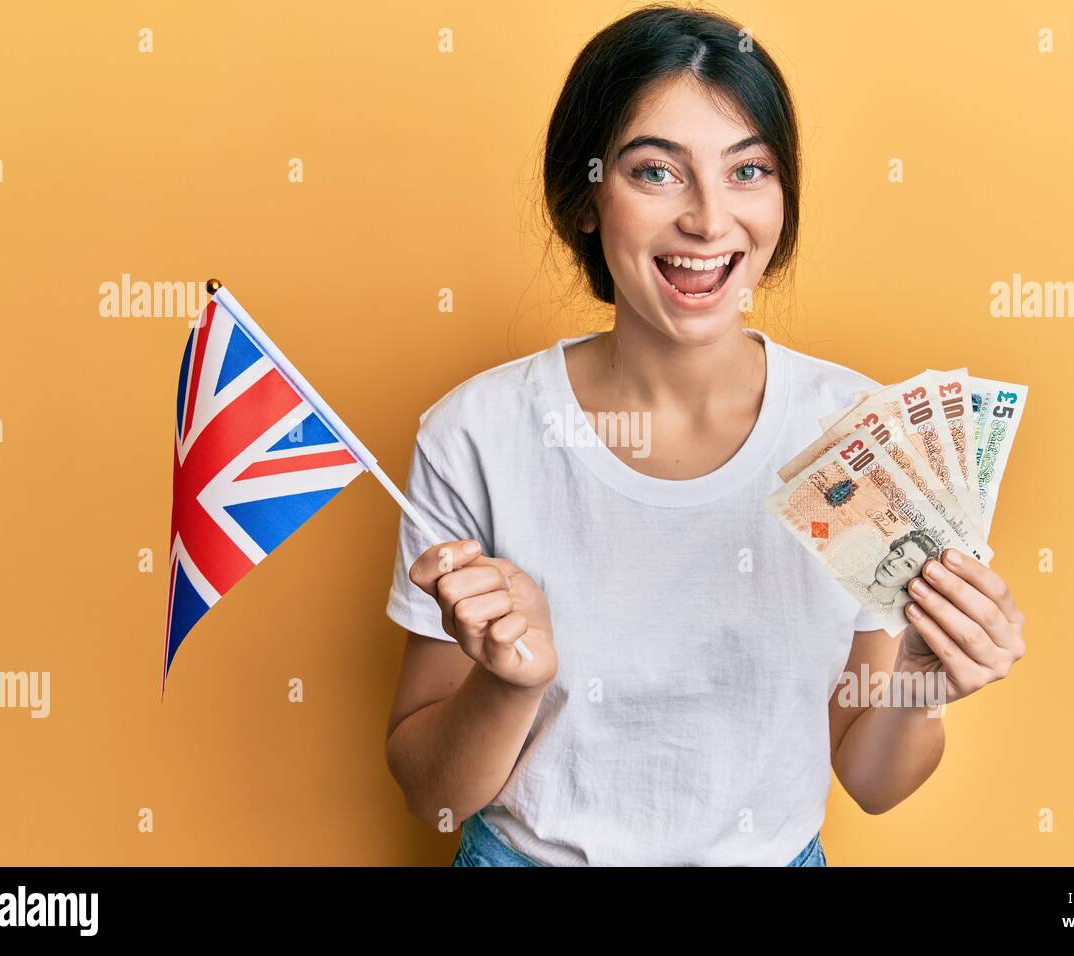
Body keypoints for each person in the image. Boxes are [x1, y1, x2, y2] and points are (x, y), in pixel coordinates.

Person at [383, 4, 1026, 867]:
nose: (709, 220)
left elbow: (871, 780)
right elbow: (433, 797)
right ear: (584, 198)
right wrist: (509, 680)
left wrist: (922, 671)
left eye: (748, 169)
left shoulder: (856, 431)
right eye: (657, 172)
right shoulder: (474, 435)